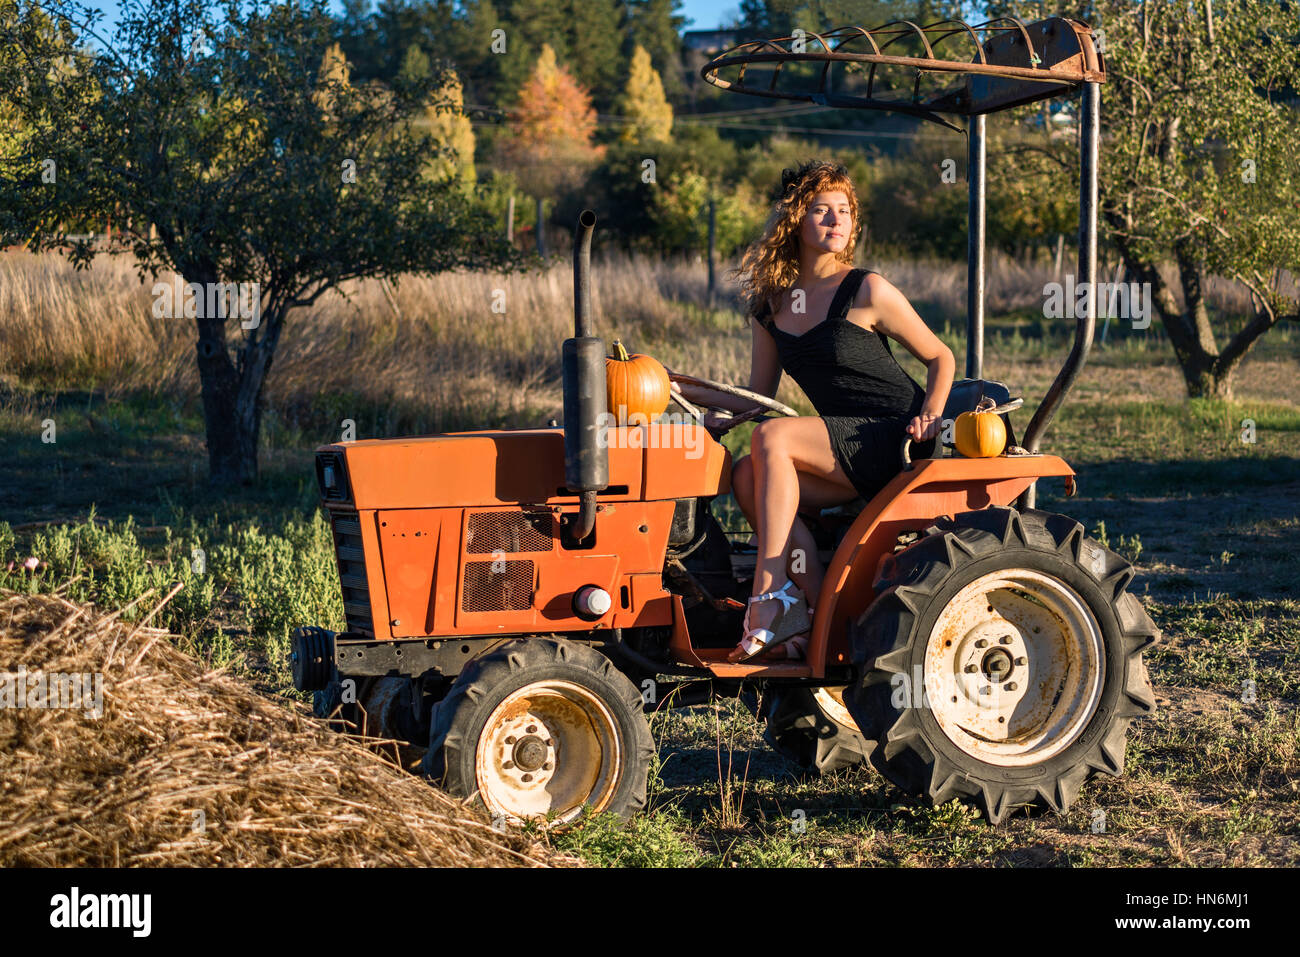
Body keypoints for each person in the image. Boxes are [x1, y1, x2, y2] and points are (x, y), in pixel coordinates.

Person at [682, 160, 955, 662]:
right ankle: (811, 606)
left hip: (894, 435)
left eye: (845, 211)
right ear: (794, 221)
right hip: (840, 444)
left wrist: (932, 413)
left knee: (774, 439)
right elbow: (755, 396)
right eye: (822, 210)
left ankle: (767, 596)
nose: (837, 221)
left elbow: (941, 356)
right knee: (746, 476)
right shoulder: (771, 306)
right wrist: (681, 388)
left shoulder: (866, 290)